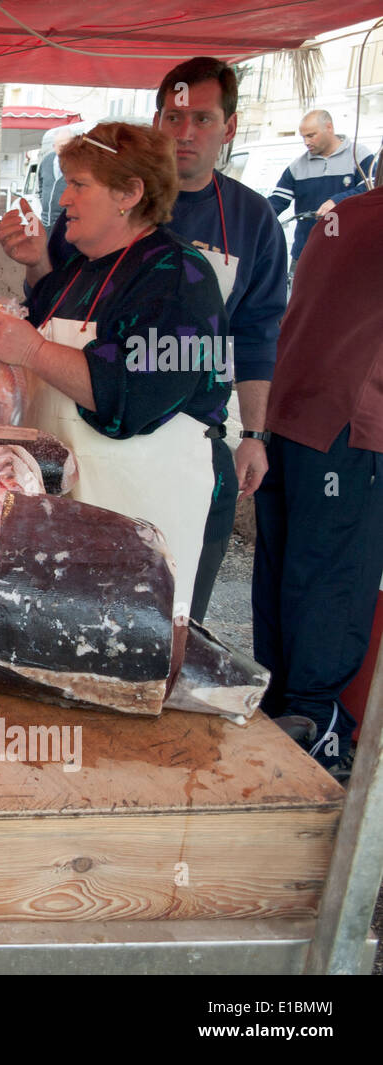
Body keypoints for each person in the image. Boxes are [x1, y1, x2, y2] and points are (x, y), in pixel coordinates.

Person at [0, 123, 231, 618]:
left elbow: (138, 394)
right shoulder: (80, 270)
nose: (63, 199)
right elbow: (3, 340)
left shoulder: (177, 278)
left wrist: (37, 352)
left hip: (141, 518)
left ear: (130, 193)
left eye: (79, 184)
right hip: (72, 505)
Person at [46, 58, 289, 623]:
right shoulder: (93, 209)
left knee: (164, 625)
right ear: (157, 119)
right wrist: (35, 263)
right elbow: (58, 303)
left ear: (229, 128)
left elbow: (255, 333)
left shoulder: (253, 220)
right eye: (174, 117)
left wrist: (253, 433)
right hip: (89, 442)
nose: (185, 133)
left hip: (182, 442)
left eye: (202, 119)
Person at [252, 184, 383, 780]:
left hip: (293, 414)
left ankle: (282, 713)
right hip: (347, 423)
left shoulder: (347, 212)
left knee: (290, 572)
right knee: (334, 572)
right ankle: (314, 727)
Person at [267, 109, 374, 278]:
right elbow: (277, 202)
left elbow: (371, 189)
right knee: (299, 304)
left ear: (329, 127)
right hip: (305, 254)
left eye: (311, 135)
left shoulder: (359, 155)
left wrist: (337, 201)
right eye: (303, 137)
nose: (306, 142)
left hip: (350, 253)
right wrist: (251, 215)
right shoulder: (297, 166)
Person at [37, 128, 72, 229]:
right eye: (61, 146)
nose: (65, 149)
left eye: (68, 145)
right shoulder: (47, 161)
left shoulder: (79, 165)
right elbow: (41, 187)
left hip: (67, 225)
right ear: (54, 146)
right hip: (46, 223)